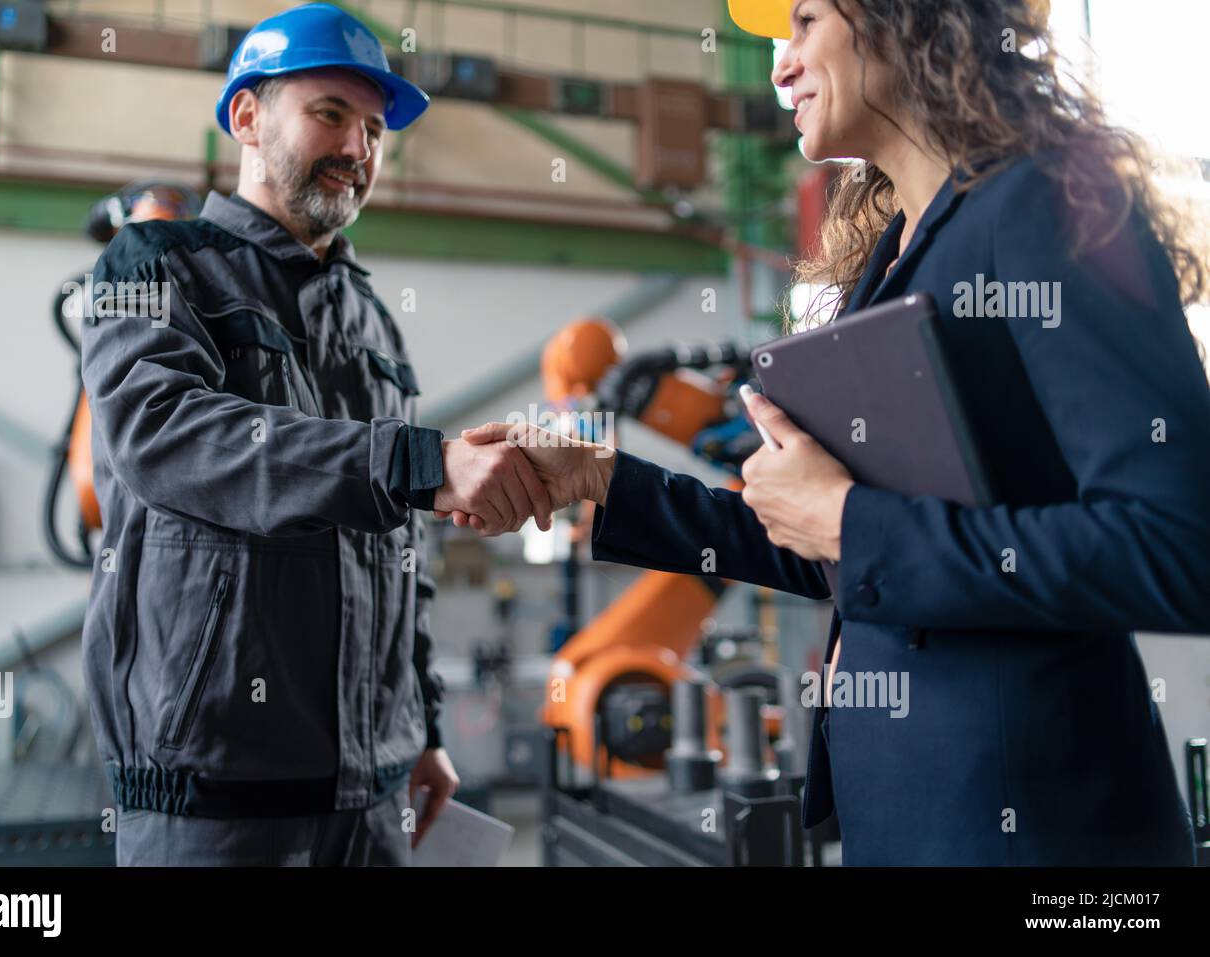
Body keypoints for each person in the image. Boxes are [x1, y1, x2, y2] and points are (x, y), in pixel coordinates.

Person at [454, 0, 1210, 865]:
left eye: (805, 19)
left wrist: (851, 523)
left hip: (1036, 831)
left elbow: (1178, 542)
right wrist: (596, 477)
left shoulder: (1044, 204)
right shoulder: (889, 263)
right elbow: (829, 547)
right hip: (905, 815)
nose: (780, 67)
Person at [80, 3, 551, 866]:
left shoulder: (372, 320)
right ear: (248, 117)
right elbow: (162, 434)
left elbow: (400, 554)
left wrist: (423, 725)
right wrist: (414, 462)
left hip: (374, 798)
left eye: (374, 129)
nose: (359, 149)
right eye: (331, 114)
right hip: (211, 803)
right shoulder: (152, 265)